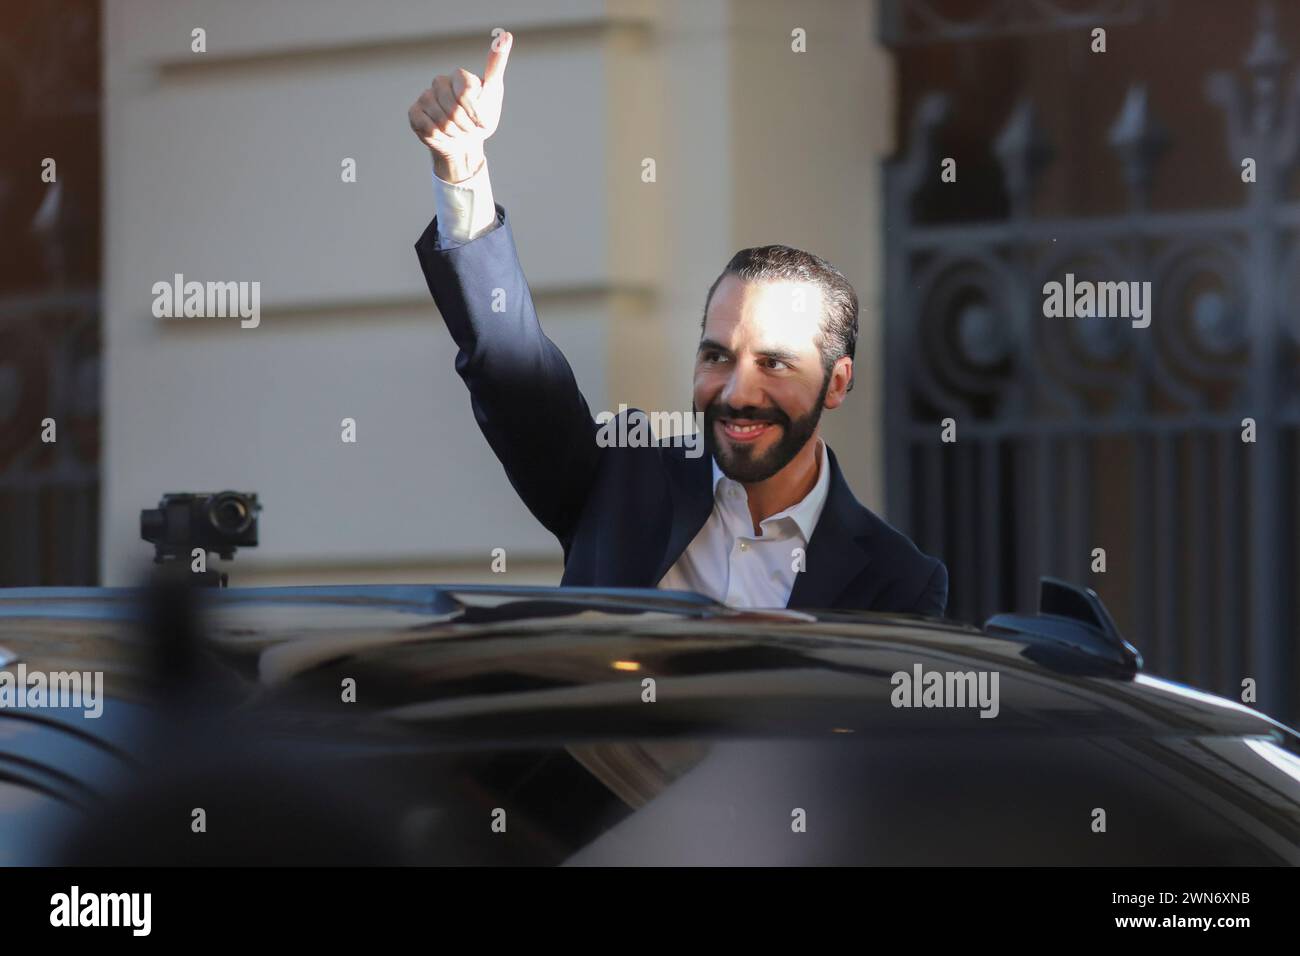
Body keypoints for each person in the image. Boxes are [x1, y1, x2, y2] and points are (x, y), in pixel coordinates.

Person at [408, 32, 947, 614]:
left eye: (775, 362)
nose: (739, 392)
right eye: (717, 356)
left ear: (837, 382)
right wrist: (462, 170)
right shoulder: (620, 478)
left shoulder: (899, 581)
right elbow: (514, 372)